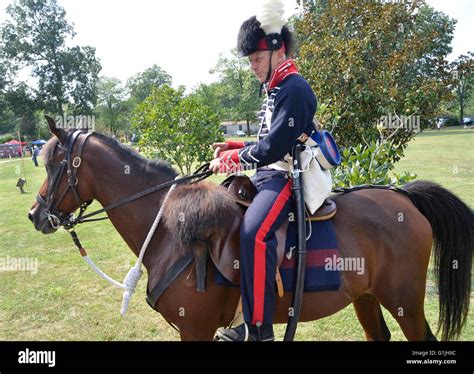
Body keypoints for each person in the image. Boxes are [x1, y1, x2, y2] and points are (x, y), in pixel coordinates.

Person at [209, 2, 318, 341]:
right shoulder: (276, 86)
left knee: (254, 233)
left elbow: (273, 149)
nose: (253, 67)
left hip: (286, 176)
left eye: (257, 59)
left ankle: (257, 330)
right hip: (266, 174)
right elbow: (267, 138)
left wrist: (234, 160)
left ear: (278, 50)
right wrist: (234, 147)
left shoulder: (295, 89)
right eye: (251, 61)